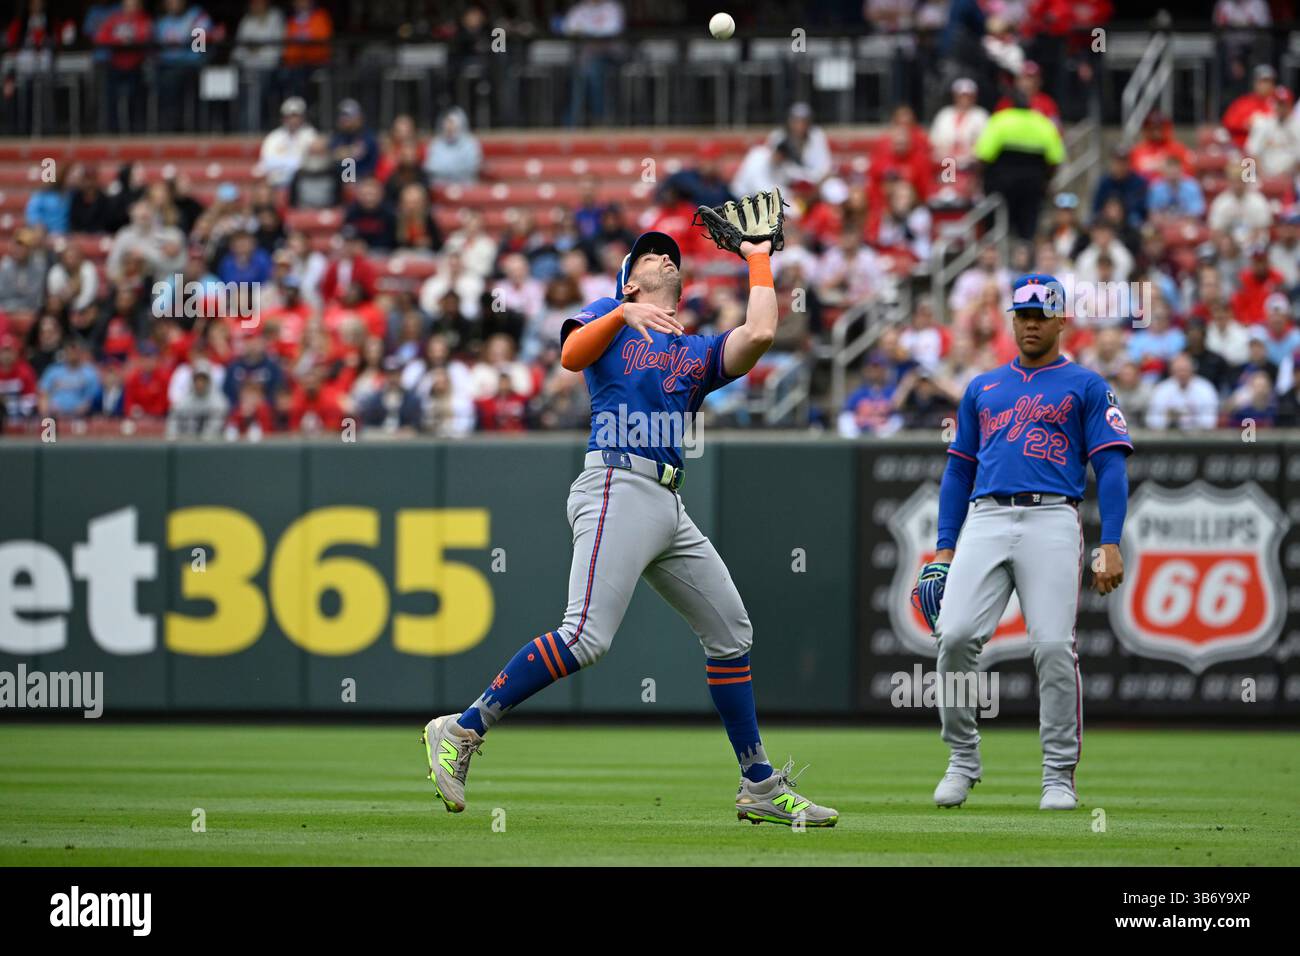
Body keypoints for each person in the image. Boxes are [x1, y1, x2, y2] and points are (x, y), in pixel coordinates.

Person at [421, 219, 837, 827]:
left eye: (669, 254)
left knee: (731, 631)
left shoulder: (692, 352)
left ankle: (758, 784)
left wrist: (756, 257)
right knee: (586, 635)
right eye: (648, 254)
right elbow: (568, 355)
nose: (662, 257)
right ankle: (462, 729)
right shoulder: (607, 315)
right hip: (615, 481)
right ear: (629, 282)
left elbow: (762, 331)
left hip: (668, 502)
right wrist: (618, 314)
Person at [914, 273, 1132, 811]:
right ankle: (962, 759)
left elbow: (1109, 467)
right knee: (955, 636)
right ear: (1012, 318)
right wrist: (944, 549)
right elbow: (958, 473)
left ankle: (1058, 774)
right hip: (987, 518)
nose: (1031, 322)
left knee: (1054, 647)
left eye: (1041, 314)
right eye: (1023, 314)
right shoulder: (983, 386)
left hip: (1053, 518)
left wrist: (1110, 540)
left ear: (1061, 320)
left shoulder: (1086, 385)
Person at [973, 91, 1065, 241]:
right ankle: (1025, 256)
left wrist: (981, 182)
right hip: (1033, 186)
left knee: (999, 227)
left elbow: (983, 157)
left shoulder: (999, 121)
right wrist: (1046, 181)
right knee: (1027, 230)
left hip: (1001, 186)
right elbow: (1055, 159)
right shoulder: (1043, 123)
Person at [929, 77, 988, 168]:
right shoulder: (944, 114)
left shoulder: (981, 115)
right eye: (961, 95)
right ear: (955, 96)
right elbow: (933, 141)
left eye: (968, 96)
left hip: (970, 167)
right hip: (945, 166)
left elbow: (985, 144)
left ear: (974, 96)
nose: (964, 99)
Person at [259, 97, 316, 188]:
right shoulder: (274, 136)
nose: (292, 120)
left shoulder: (311, 135)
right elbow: (267, 161)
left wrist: (284, 162)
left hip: (301, 182)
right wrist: (293, 162)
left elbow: (306, 163)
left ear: (303, 117)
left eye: (296, 116)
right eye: (289, 116)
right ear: (283, 118)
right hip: (275, 181)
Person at [423, 107, 482, 185]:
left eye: (453, 123)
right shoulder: (435, 144)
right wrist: (454, 168)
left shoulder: (471, 143)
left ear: (461, 125)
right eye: (447, 123)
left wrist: (446, 169)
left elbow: (473, 167)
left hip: (465, 186)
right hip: (440, 186)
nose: (450, 127)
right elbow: (431, 167)